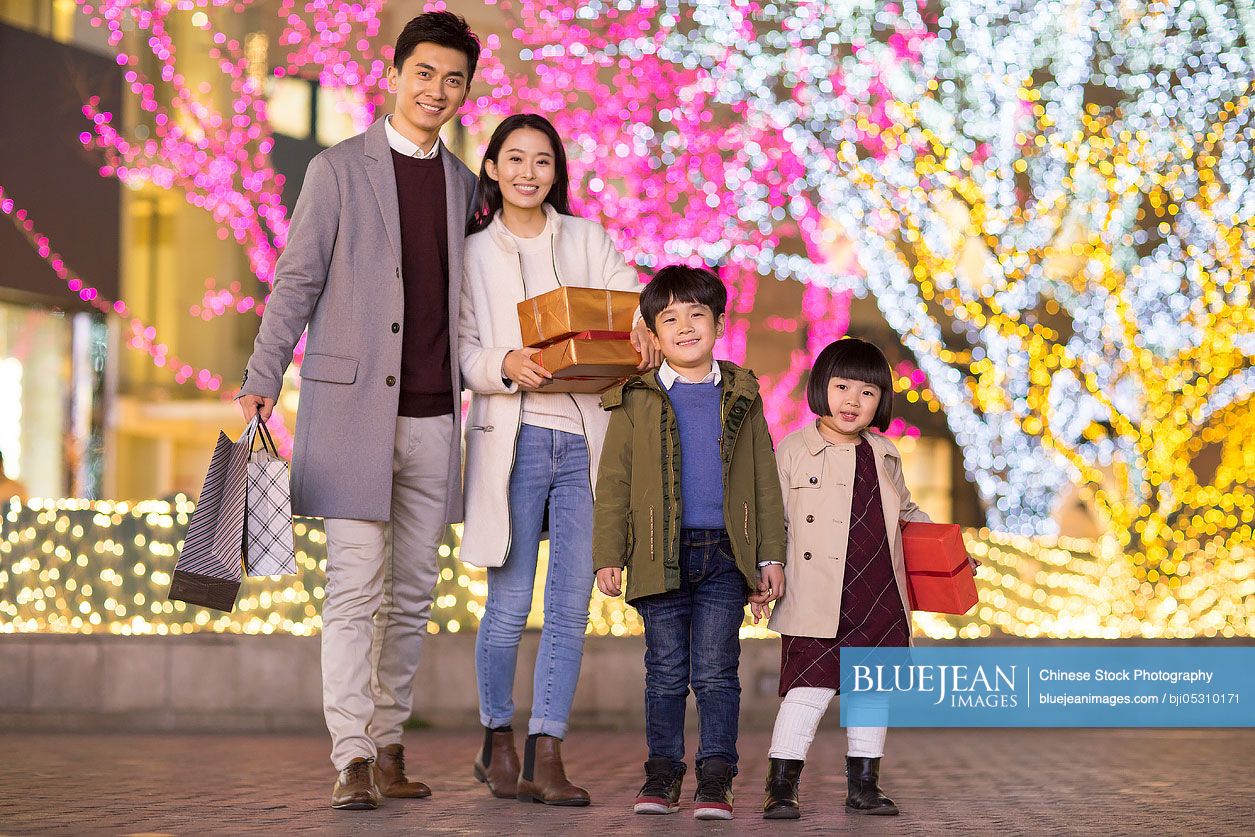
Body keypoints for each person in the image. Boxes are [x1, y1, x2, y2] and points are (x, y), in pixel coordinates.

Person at [235, 11, 481, 811]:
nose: (436, 90)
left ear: (464, 91)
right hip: (349, 416)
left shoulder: (464, 187)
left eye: (452, 79)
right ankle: (349, 754)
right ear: (395, 74)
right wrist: (262, 370)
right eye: (424, 73)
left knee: (411, 593)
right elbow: (296, 281)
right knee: (353, 590)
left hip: (437, 418)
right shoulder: (337, 169)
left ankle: (388, 742)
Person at [457, 113, 660, 806]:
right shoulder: (472, 254)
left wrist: (643, 335)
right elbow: (460, 349)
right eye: (513, 159)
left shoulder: (587, 238)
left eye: (541, 161)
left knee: (568, 606)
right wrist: (502, 361)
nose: (527, 172)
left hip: (583, 443)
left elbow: (632, 308)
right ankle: (498, 739)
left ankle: (548, 750)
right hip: (510, 439)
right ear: (490, 168)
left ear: (555, 171)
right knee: (509, 603)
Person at [593, 265, 787, 821]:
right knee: (666, 671)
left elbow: (764, 480)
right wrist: (609, 554)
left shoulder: (742, 396)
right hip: (659, 555)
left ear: (718, 323)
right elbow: (614, 483)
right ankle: (662, 773)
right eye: (669, 318)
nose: (684, 327)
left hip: (727, 556)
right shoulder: (635, 399)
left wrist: (769, 555)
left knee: (716, 671)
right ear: (653, 334)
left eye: (696, 315)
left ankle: (716, 779)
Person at [759, 337, 974, 819]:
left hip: (876, 590)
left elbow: (908, 511)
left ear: (881, 401)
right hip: (816, 591)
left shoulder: (884, 451)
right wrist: (764, 569)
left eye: (867, 392)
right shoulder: (794, 449)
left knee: (870, 692)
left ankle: (864, 785)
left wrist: (953, 555)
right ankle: (781, 784)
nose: (853, 401)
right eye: (841, 387)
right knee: (808, 689)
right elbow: (773, 521)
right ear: (821, 389)